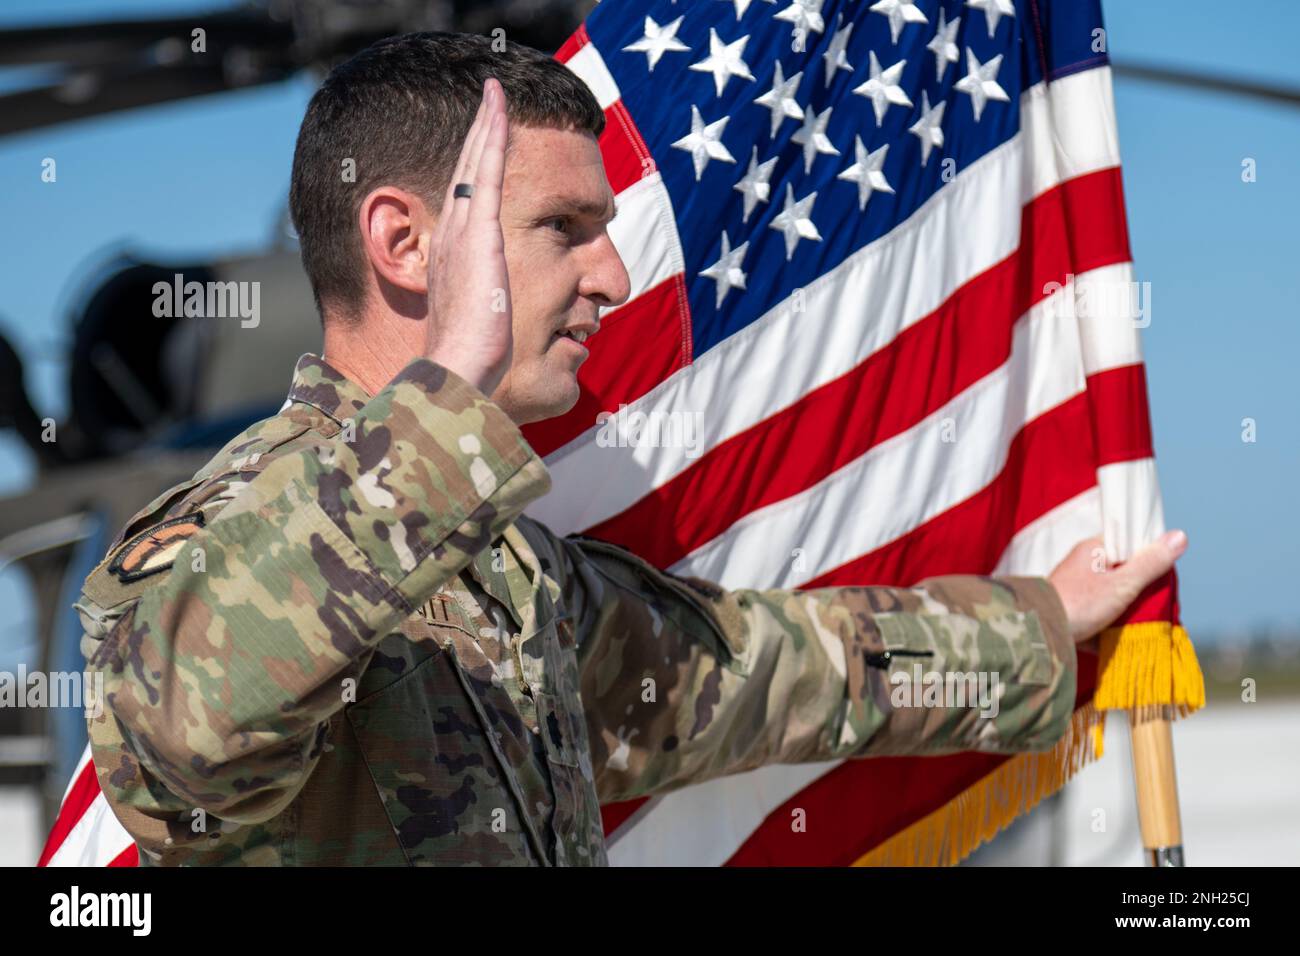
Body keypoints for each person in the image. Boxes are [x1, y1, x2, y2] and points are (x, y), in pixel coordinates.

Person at [76, 32, 1188, 866]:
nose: (612, 277)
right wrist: (448, 378)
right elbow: (187, 735)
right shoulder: (224, 528)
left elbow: (767, 669)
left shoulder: (513, 577)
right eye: (564, 229)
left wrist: (1045, 618)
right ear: (407, 244)